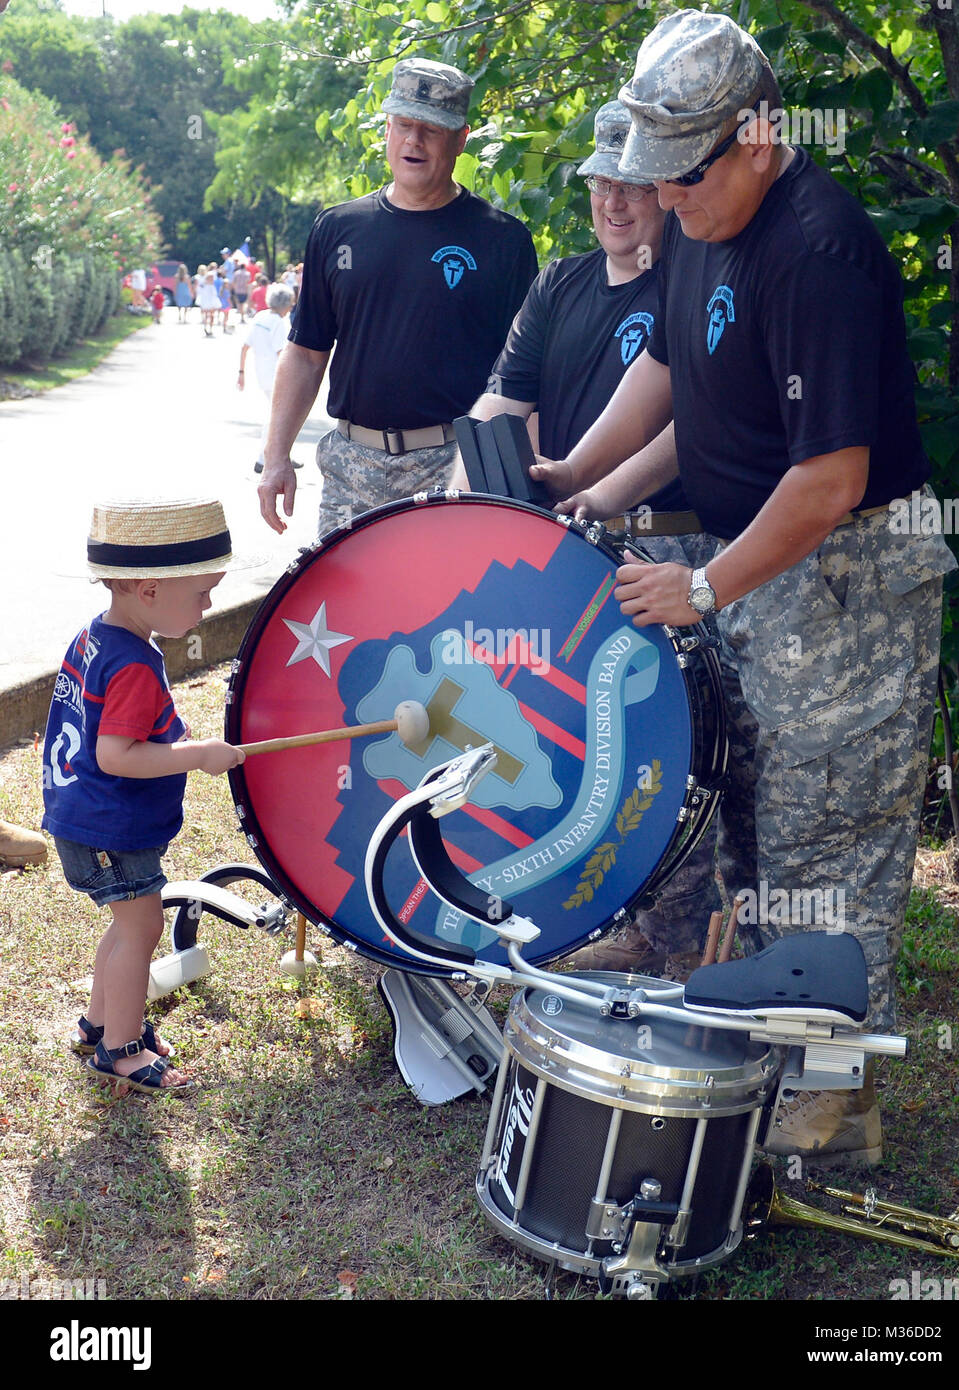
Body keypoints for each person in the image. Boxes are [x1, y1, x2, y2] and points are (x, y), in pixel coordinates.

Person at [538, 9, 956, 1163]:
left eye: (684, 177)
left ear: (759, 136)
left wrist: (702, 589)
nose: (662, 201)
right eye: (654, 176)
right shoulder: (697, 212)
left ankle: (831, 1094)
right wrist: (582, 477)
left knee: (829, 839)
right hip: (743, 562)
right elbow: (673, 375)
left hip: (842, 581)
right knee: (722, 788)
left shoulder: (816, 248)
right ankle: (723, 997)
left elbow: (827, 479)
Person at [451, 100, 723, 973]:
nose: (613, 198)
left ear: (663, 188)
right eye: (601, 180)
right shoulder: (559, 283)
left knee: (673, 750)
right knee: (584, 745)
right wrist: (455, 504)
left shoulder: (690, 278)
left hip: (674, 548)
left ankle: (688, 953)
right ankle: (626, 926)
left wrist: (592, 492)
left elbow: (686, 414)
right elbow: (502, 400)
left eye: (632, 181)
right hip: (568, 549)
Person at [258, 55, 538, 539]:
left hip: (456, 471)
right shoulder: (338, 228)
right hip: (352, 467)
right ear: (387, 129)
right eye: (404, 124)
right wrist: (276, 457)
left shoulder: (503, 240)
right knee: (344, 612)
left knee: (448, 613)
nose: (414, 140)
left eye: (431, 129)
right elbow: (305, 353)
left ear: (461, 138)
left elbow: (526, 378)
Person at [41, 498, 249, 1095]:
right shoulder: (134, 661)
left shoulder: (97, 635)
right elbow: (116, 755)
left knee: (128, 924)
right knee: (142, 928)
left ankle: (100, 1023)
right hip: (110, 824)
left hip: (84, 815)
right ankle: (122, 1051)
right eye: (203, 591)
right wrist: (197, 754)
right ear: (147, 588)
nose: (209, 605)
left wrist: (175, 737)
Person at [237, 282, 296, 474]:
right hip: (275, 376)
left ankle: (281, 454)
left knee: (276, 416)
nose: (291, 307)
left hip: (262, 374)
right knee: (276, 418)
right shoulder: (279, 323)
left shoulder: (260, 317)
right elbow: (282, 353)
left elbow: (245, 347)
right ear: (284, 304)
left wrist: (241, 373)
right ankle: (263, 459)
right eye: (290, 303)